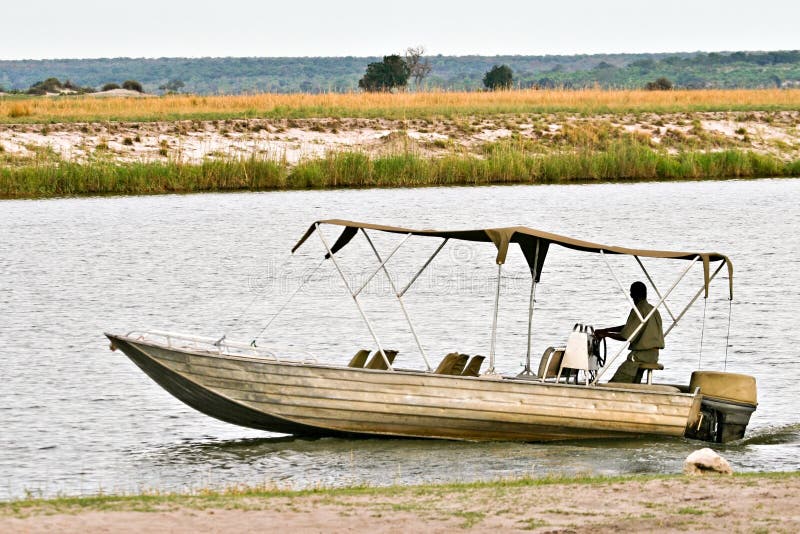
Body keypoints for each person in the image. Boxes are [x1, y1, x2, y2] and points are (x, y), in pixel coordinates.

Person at [595, 281, 665, 383]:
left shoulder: (638, 310)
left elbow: (626, 336)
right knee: (633, 376)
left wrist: (606, 335)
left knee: (617, 381)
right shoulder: (652, 309)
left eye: (631, 293)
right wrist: (607, 330)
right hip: (653, 355)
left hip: (641, 355)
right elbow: (630, 327)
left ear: (633, 295)